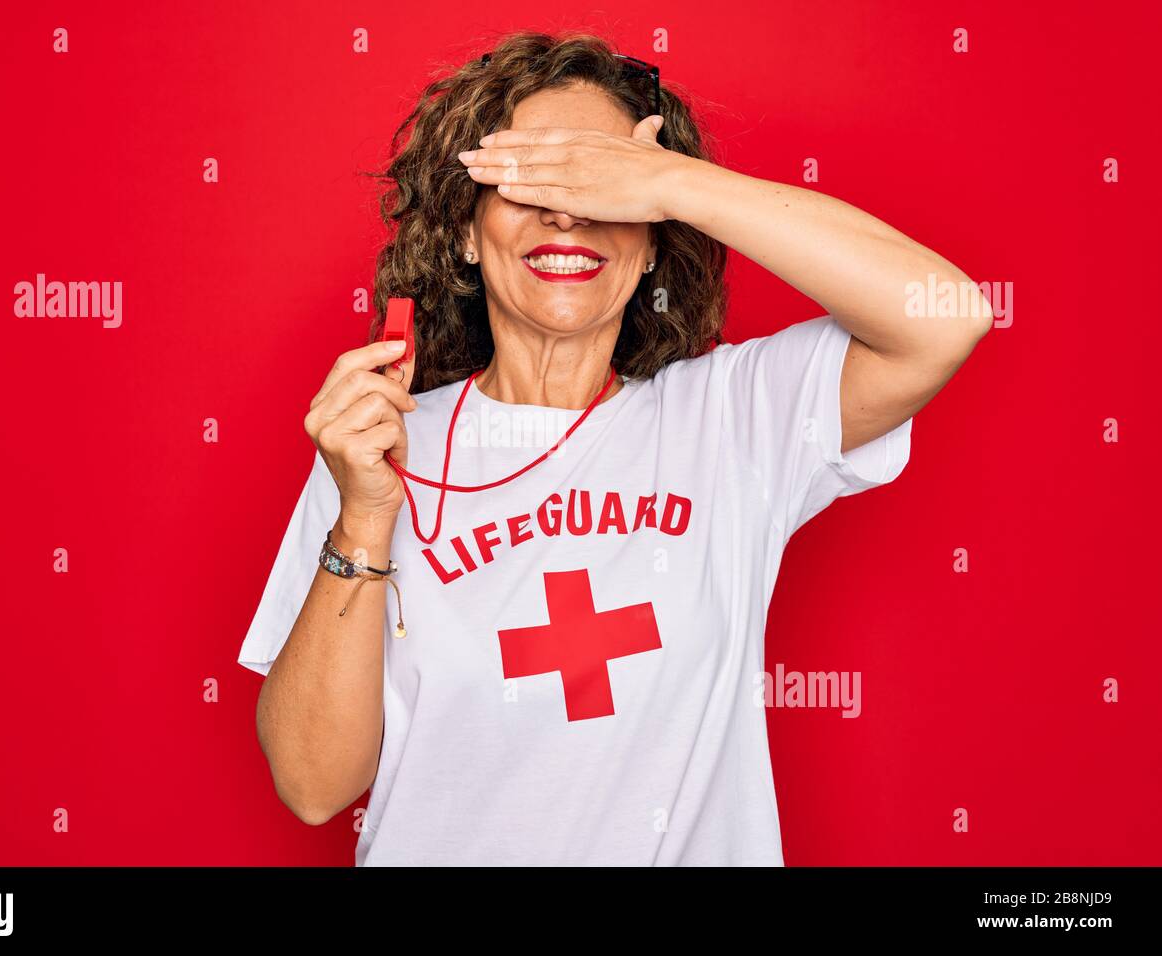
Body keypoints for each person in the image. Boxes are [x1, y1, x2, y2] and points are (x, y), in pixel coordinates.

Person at [237, 31, 991, 865]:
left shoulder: (734, 417)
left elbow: (943, 317)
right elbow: (312, 786)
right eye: (528, 180)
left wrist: (672, 179)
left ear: (651, 243)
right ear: (465, 232)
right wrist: (364, 521)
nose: (567, 211)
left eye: (598, 181)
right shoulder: (377, 446)